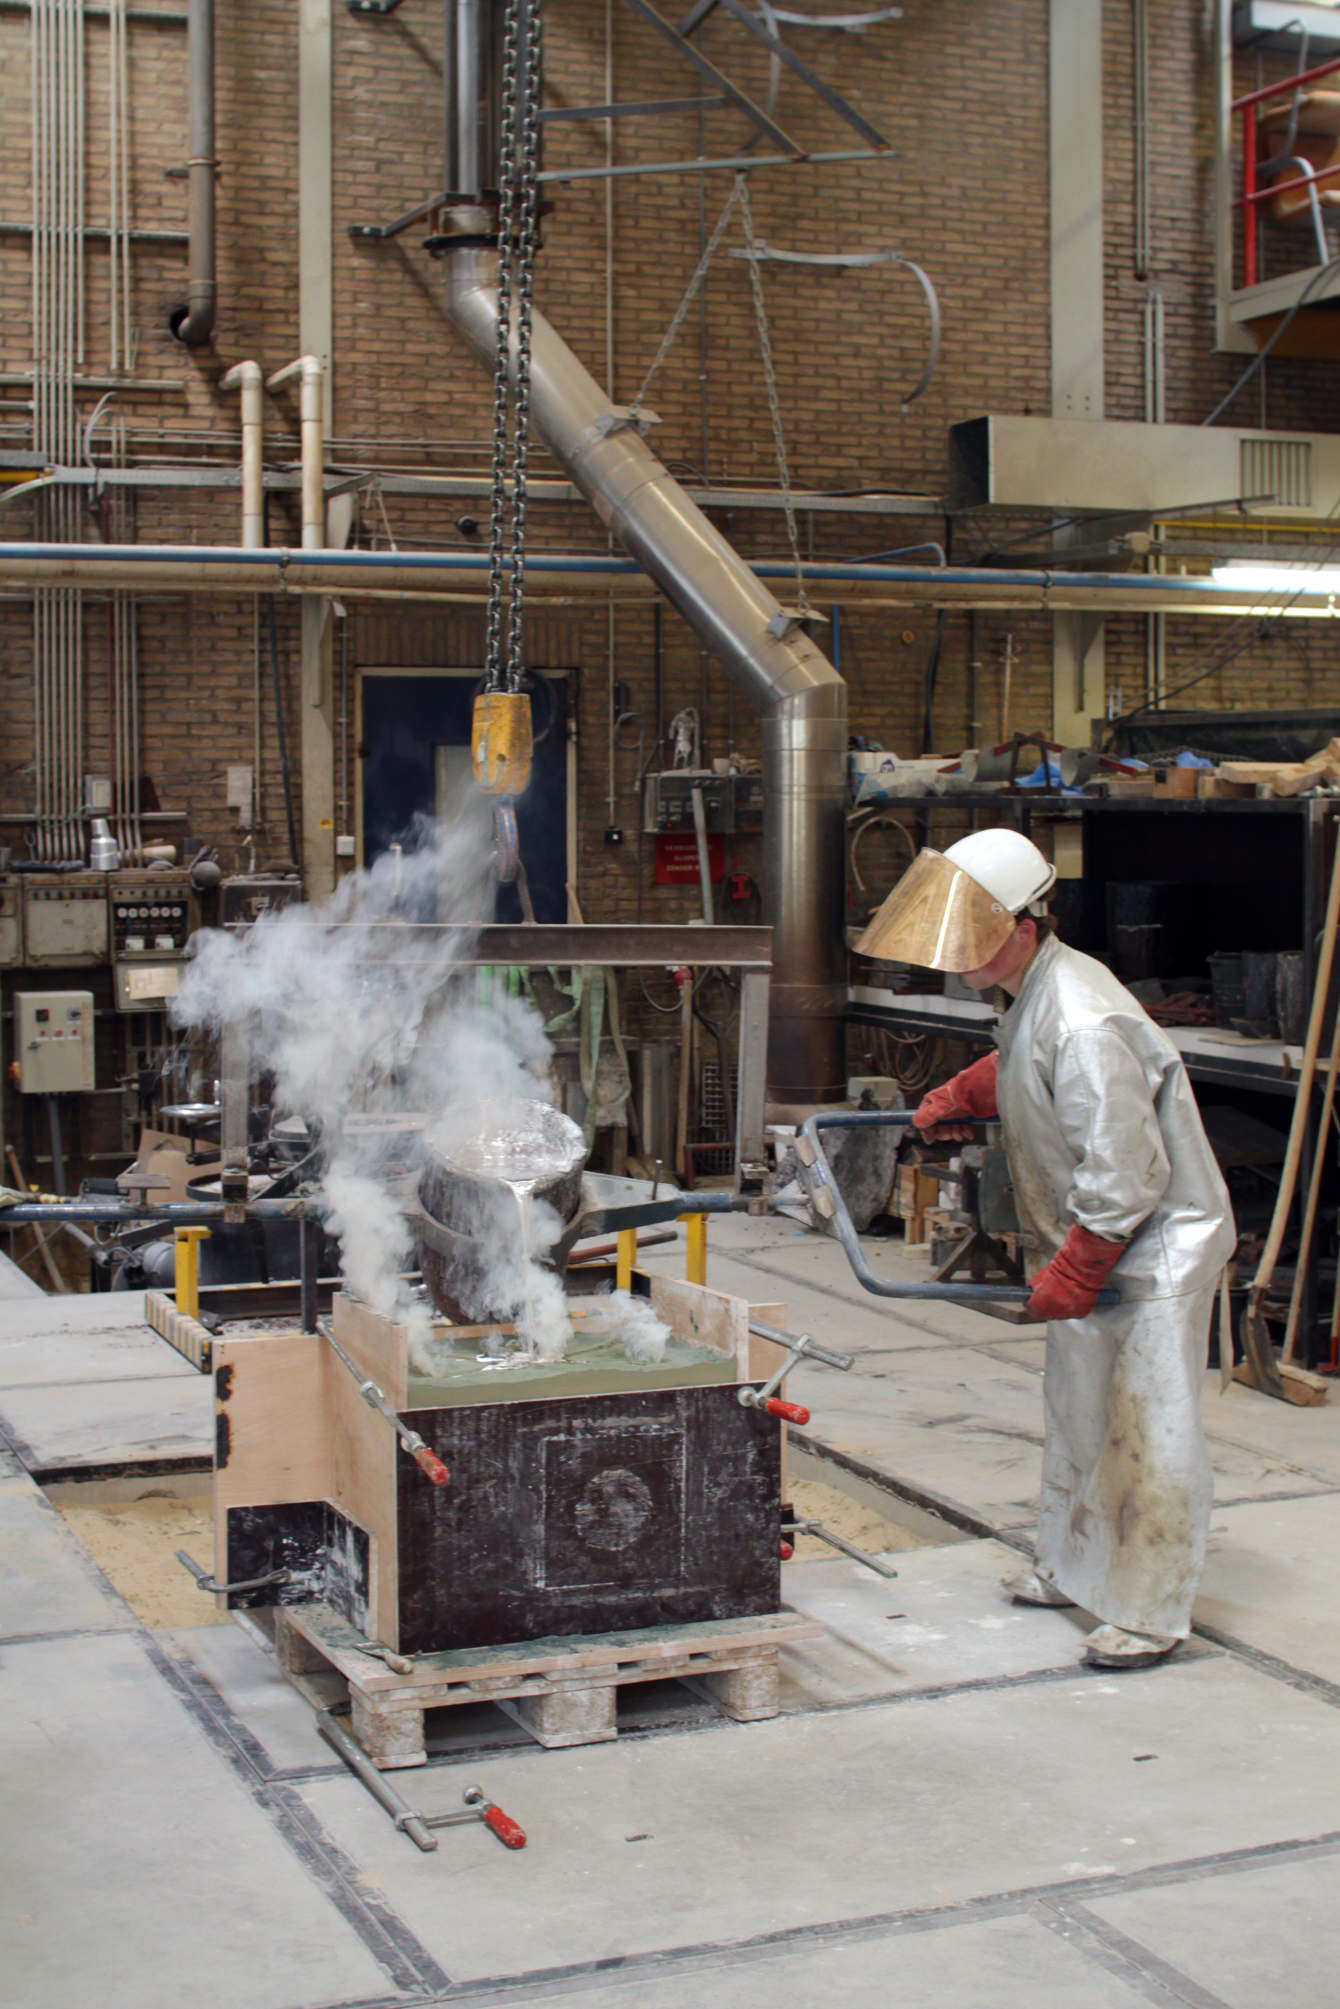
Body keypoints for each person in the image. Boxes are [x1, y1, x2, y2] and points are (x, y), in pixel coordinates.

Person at [855, 829, 1235, 1669]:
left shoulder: (1083, 1016)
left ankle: (1148, 1611)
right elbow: (1033, 1059)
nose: (955, 956)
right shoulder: (1036, 992)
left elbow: (1129, 1169)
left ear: (1025, 925)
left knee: (1149, 1426)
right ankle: (1070, 1564)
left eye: (972, 936)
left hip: (1154, 1241)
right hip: (1101, 1236)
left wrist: (1079, 1263)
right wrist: (972, 1088)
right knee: (1077, 1412)